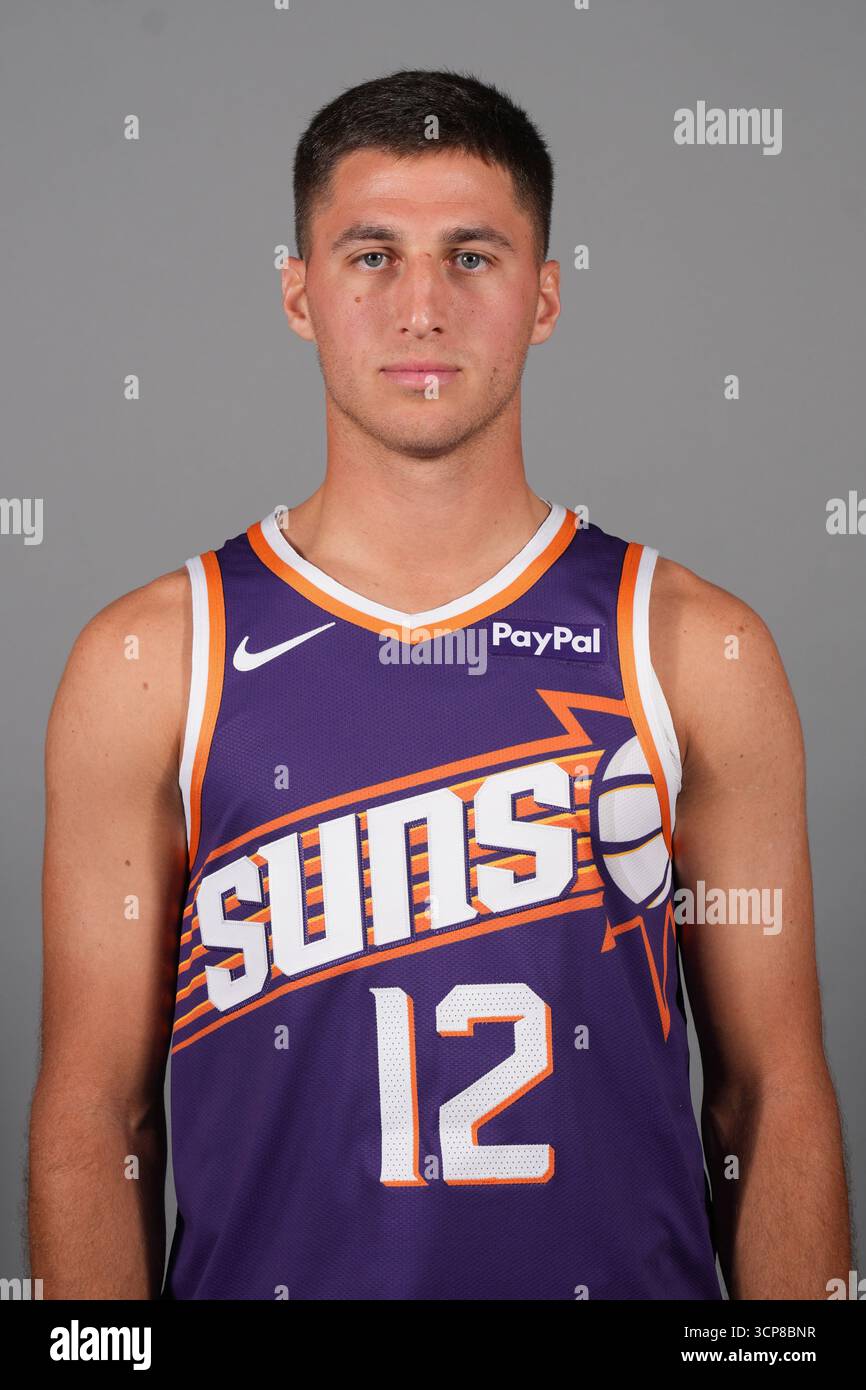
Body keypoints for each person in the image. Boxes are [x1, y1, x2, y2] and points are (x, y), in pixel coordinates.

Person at [29, 69, 851, 1300]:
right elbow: (97, 1124)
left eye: (472, 257)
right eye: (370, 256)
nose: (420, 309)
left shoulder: (688, 647)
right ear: (299, 293)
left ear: (544, 298)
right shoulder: (154, 660)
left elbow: (769, 1097)